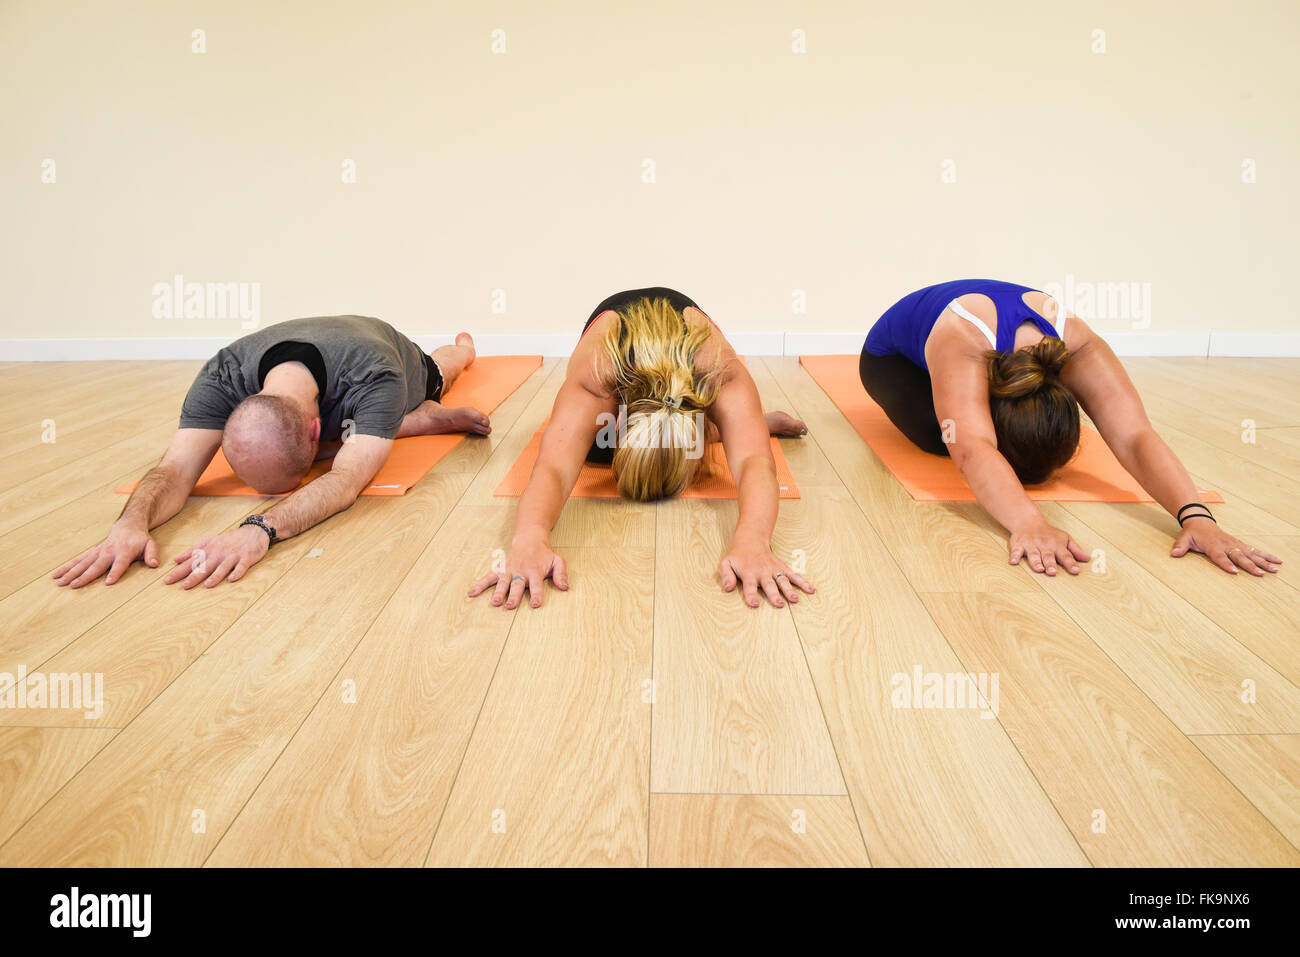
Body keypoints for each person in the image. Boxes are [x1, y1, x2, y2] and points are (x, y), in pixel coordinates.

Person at [860, 279, 1281, 577]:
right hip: (893, 361)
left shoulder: (1075, 341)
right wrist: (1029, 523)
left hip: (980, 355)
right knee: (945, 438)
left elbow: (1134, 434)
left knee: (988, 421)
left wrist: (1197, 518)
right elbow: (972, 447)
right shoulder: (963, 340)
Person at [53, 316, 488, 590]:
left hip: (389, 356)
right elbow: (174, 470)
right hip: (332, 401)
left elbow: (344, 482)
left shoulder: (377, 374)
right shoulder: (221, 376)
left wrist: (259, 528)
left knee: (445, 369)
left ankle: (450, 368)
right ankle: (404, 425)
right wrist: (129, 524)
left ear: (317, 431)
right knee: (364, 434)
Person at [469, 287, 814, 609]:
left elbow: (755, 461)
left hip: (689, 376)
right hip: (615, 383)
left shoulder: (718, 370)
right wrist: (529, 539)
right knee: (594, 449)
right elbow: (553, 469)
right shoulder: (596, 380)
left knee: (727, 429)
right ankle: (739, 424)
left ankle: (740, 423)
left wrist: (753, 541)